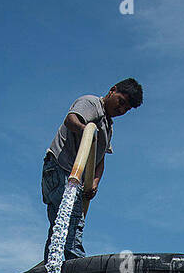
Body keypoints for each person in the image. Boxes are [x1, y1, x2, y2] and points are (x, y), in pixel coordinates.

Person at [42, 80, 144, 262]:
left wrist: (94, 182)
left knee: (60, 229)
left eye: (126, 109)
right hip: (61, 169)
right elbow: (71, 119)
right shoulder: (92, 103)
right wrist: (86, 131)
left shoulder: (107, 125)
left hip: (72, 178)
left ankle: (50, 270)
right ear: (112, 90)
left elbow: (100, 158)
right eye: (121, 102)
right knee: (73, 226)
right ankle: (77, 272)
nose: (121, 110)